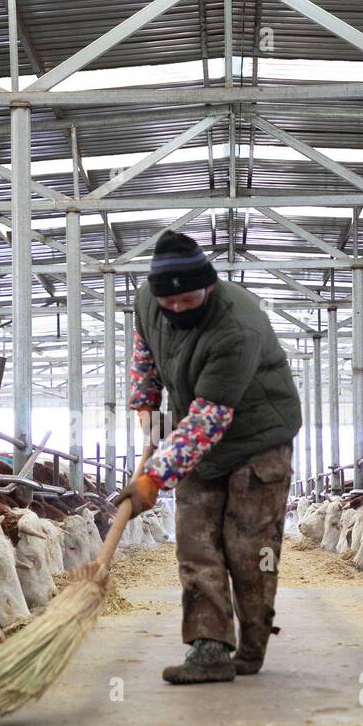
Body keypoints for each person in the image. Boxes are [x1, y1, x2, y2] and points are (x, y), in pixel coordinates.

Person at [115, 231, 302, 684]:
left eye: (188, 299)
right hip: (192, 430)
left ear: (209, 286)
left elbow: (209, 421)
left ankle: (252, 644)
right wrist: (145, 397)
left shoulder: (237, 326)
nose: (177, 308)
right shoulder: (148, 301)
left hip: (256, 439)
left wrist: (154, 479)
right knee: (195, 543)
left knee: (249, 550)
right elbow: (145, 347)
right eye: (169, 302)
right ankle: (210, 648)